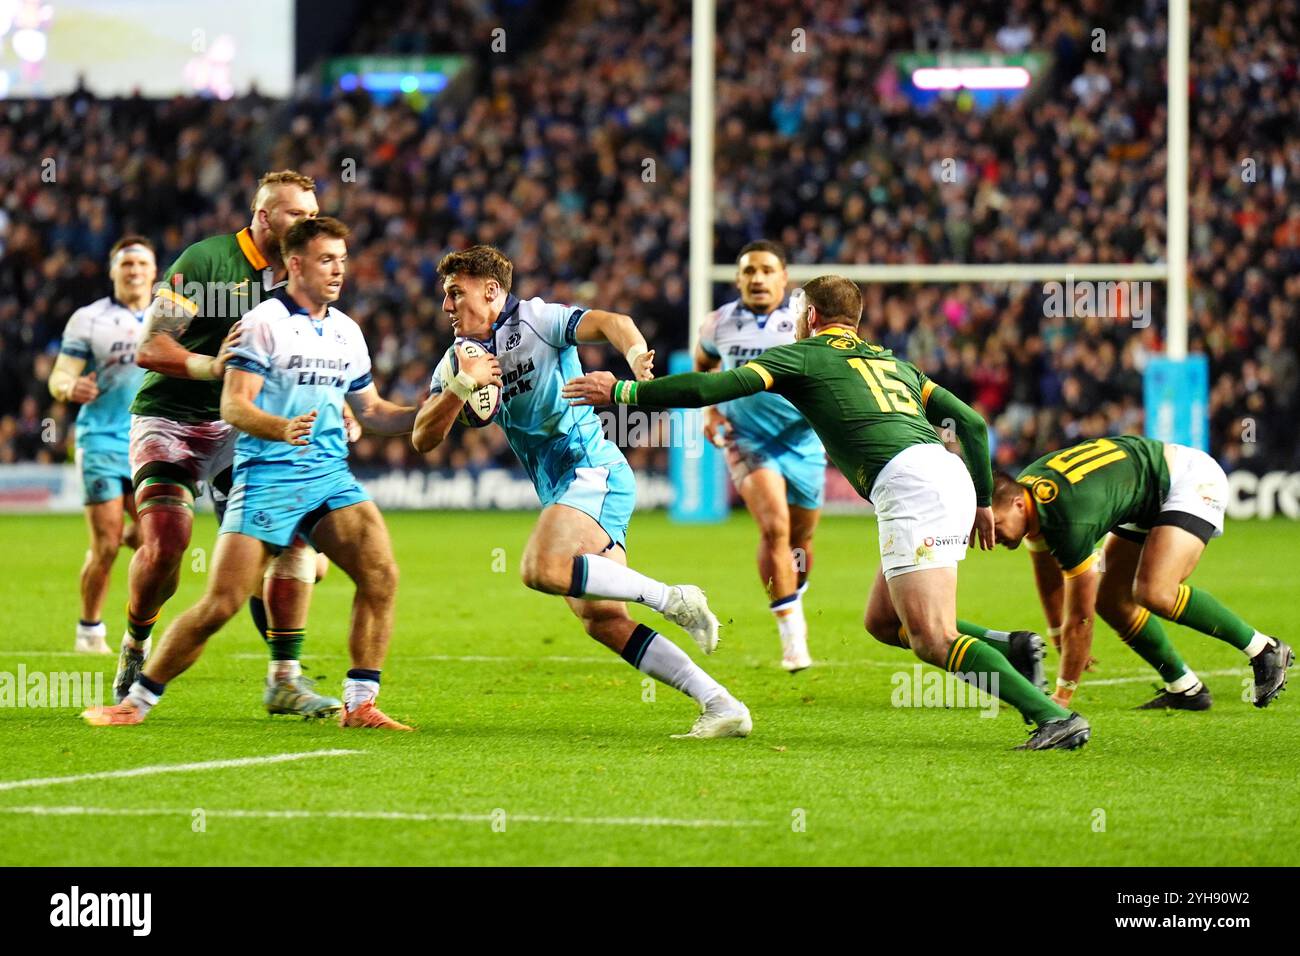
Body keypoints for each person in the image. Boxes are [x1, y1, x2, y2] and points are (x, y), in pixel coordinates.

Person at [565, 275, 1087, 750]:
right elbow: (971, 423)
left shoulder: (805, 356)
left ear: (811, 316)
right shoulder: (892, 361)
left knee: (932, 637)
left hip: (911, 486)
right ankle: (1011, 651)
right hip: (942, 473)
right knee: (884, 621)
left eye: (796, 316)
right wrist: (977, 500)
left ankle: (1051, 718)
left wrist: (626, 390)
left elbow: (711, 388)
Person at [85, 217, 418, 729]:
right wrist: (281, 427)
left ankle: (358, 704)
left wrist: (440, 409)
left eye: (343, 261)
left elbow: (372, 410)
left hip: (329, 477)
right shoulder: (263, 322)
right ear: (296, 264)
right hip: (268, 475)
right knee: (221, 603)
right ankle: (137, 700)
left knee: (381, 573)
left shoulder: (348, 331)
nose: (338, 271)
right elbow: (234, 407)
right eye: (327, 260)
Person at [412, 245, 752, 739]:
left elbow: (613, 321)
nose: (446, 306)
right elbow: (423, 437)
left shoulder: (537, 319)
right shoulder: (456, 359)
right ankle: (721, 704)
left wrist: (636, 356)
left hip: (591, 468)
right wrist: (460, 388)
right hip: (560, 485)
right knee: (602, 618)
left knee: (540, 568)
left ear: (491, 291)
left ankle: (673, 597)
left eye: (454, 293)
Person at [116, 169, 340, 717]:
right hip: (172, 418)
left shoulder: (299, 279)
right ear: (264, 217)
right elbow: (151, 346)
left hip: (241, 427)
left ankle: (284, 680)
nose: (308, 224)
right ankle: (135, 643)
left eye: (313, 215)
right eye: (297, 215)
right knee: (169, 543)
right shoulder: (208, 263)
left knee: (285, 542)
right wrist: (211, 365)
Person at [989, 436, 1292, 710]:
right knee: (1109, 599)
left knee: (1156, 592)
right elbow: (1045, 569)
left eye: (996, 525)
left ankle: (1264, 648)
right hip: (1141, 495)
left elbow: (1080, 617)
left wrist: (1062, 696)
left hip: (1189, 480)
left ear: (1018, 505)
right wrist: (1057, 633)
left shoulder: (1068, 520)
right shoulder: (1029, 492)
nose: (993, 535)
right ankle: (1185, 687)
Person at [696, 241, 824, 671]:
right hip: (747, 438)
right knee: (775, 529)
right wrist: (710, 410)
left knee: (801, 542)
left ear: (784, 278)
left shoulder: (806, 324)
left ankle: (792, 595)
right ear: (738, 280)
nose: (757, 279)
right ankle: (793, 637)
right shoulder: (717, 324)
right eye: (749, 271)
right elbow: (703, 366)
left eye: (767, 270)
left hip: (803, 440)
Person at [48, 236, 155, 653]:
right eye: (125, 264)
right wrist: (68, 386)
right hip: (100, 440)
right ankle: (90, 630)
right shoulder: (88, 319)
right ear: (113, 271)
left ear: (153, 271)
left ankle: (139, 627)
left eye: (141, 264)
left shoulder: (173, 317)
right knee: (106, 545)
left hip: (151, 441)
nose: (133, 271)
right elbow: (59, 375)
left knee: (156, 543)